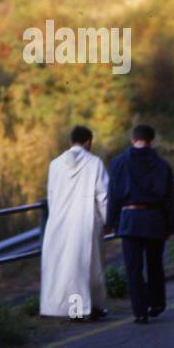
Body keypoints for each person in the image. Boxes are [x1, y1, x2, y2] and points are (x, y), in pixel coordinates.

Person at [106, 124, 174, 324]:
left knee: (133, 268)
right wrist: (172, 225)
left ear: (133, 140)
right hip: (155, 220)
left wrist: (110, 222)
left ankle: (139, 311)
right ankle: (157, 303)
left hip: (129, 220)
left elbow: (113, 196)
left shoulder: (118, 163)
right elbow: (169, 200)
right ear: (151, 140)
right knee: (155, 265)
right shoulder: (163, 166)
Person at [40, 125, 110, 322]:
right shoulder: (95, 163)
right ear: (88, 142)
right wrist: (107, 220)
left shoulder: (55, 165)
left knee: (70, 269)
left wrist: (56, 219)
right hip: (87, 221)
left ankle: (76, 310)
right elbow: (103, 195)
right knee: (91, 267)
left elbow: (51, 195)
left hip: (61, 222)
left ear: (71, 142)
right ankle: (93, 307)